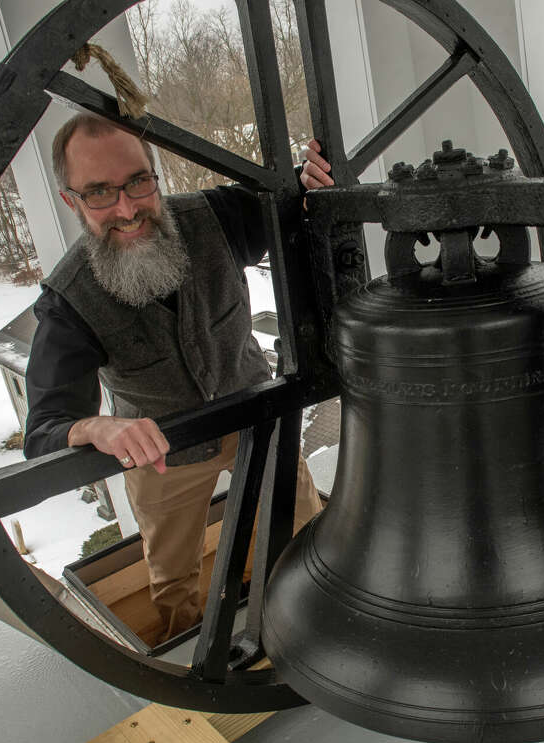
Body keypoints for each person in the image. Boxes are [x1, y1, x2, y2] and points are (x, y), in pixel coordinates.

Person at [24, 112, 334, 642]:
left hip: (259, 418)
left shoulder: (217, 219)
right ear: (71, 201)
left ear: (155, 175)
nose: (126, 209)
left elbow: (289, 202)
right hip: (161, 455)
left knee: (302, 529)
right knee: (173, 577)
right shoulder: (69, 300)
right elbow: (45, 429)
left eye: (137, 182)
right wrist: (98, 427)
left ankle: (309, 624)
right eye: (99, 193)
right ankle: (186, 654)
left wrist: (310, 185)